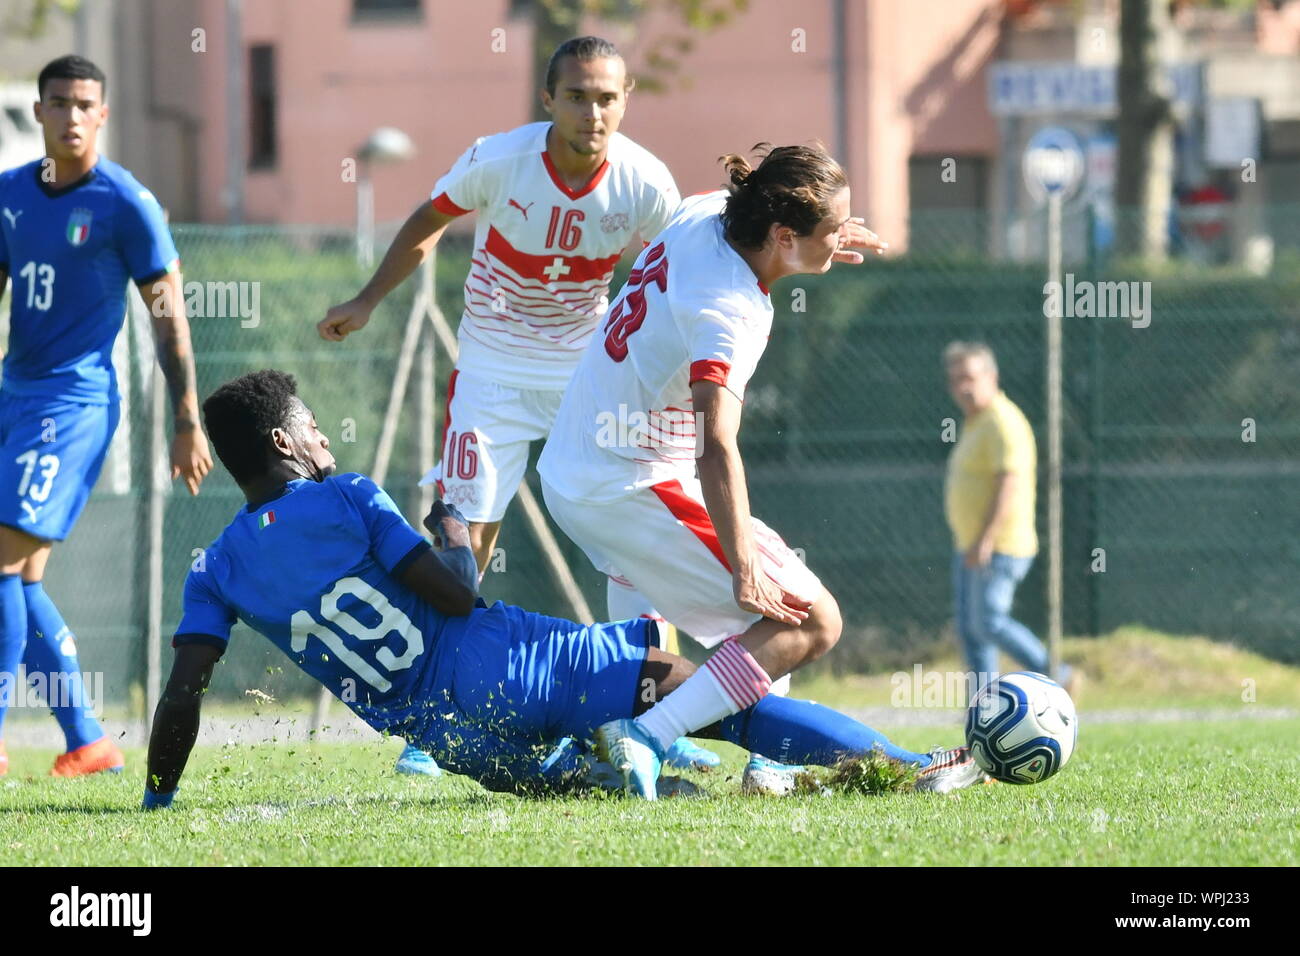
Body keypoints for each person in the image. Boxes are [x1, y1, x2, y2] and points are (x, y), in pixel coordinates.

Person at [141, 370, 988, 808]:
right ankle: (905, 767)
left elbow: (184, 692)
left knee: (623, 784)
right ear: (287, 442)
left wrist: (158, 795)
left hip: (457, 744)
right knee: (687, 689)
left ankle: (625, 774)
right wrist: (447, 529)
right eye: (313, 426)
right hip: (497, 664)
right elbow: (455, 598)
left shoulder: (214, 566)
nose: (324, 436)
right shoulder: (348, 494)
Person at [318, 37, 716, 774]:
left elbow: (682, 268)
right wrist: (369, 299)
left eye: (606, 97)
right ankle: (436, 726)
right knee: (463, 549)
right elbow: (427, 220)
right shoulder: (500, 159)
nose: (592, 112)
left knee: (630, 530)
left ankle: (659, 717)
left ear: (625, 101)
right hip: (493, 377)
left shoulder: (646, 183)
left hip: (588, 378)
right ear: (547, 100)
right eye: (576, 96)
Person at [535, 143, 951, 799]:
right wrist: (741, 562)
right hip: (627, 481)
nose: (844, 235)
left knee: (717, 627)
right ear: (783, 235)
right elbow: (717, 444)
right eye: (833, 228)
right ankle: (644, 739)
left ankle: (760, 764)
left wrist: (820, 239)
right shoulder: (733, 310)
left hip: (572, 466)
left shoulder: (710, 212)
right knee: (807, 620)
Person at [0, 55, 211, 777]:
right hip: (13, 397)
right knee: (19, 578)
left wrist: (186, 419)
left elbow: (167, 318)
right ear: (39, 112)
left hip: (75, 406)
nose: (71, 116)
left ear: (104, 114)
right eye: (58, 103)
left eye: (85, 104)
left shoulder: (128, 204)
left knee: (0, 561)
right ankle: (87, 739)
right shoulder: (9, 197)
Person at [943, 341, 1076, 699]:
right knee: (973, 630)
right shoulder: (976, 422)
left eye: (970, 377)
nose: (963, 387)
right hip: (970, 545)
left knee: (989, 621)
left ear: (991, 376)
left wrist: (986, 539)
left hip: (999, 545)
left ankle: (1057, 673)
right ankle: (985, 705)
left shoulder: (1003, 420)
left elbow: (1010, 483)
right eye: (955, 379)